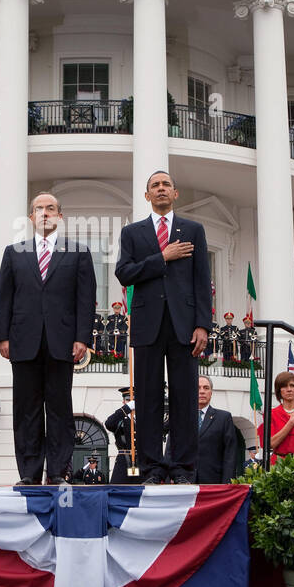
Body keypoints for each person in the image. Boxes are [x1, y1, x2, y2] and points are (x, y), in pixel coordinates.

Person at [115, 170, 212, 484]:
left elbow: (201, 282)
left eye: (165, 184)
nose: (160, 189)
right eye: (154, 185)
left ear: (175, 193)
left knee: (185, 397)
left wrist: (203, 325)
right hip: (147, 326)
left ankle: (183, 468)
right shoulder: (132, 233)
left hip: (185, 327)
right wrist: (162, 257)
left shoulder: (193, 230)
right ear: (147, 196)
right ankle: (153, 468)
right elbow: (124, 273)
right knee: (148, 399)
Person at [0, 191, 95, 486]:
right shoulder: (14, 253)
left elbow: (85, 299)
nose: (45, 213)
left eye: (50, 208)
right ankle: (28, 473)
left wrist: (82, 337)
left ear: (60, 216)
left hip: (62, 342)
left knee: (59, 408)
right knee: (26, 409)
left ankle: (57, 472)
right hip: (23, 341)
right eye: (39, 208)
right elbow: (4, 299)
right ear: (30, 217)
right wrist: (3, 337)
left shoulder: (78, 252)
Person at [258, 371, 294, 465]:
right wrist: (291, 423)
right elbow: (270, 444)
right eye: (284, 386)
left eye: (292, 385)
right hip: (278, 463)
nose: (289, 389)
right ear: (279, 390)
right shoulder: (271, 414)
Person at [194, 375, 243, 484]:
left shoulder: (224, 418)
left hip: (213, 483)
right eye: (198, 388)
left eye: (206, 388)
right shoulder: (182, 417)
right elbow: (171, 449)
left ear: (211, 393)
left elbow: (230, 454)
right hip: (184, 482)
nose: (202, 391)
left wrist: (226, 483)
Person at [105, 388, 141, 483]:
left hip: (140, 461)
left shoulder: (142, 418)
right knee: (117, 490)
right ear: (124, 402)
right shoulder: (120, 419)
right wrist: (127, 408)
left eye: (133, 401)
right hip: (124, 460)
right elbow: (109, 423)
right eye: (128, 400)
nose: (131, 403)